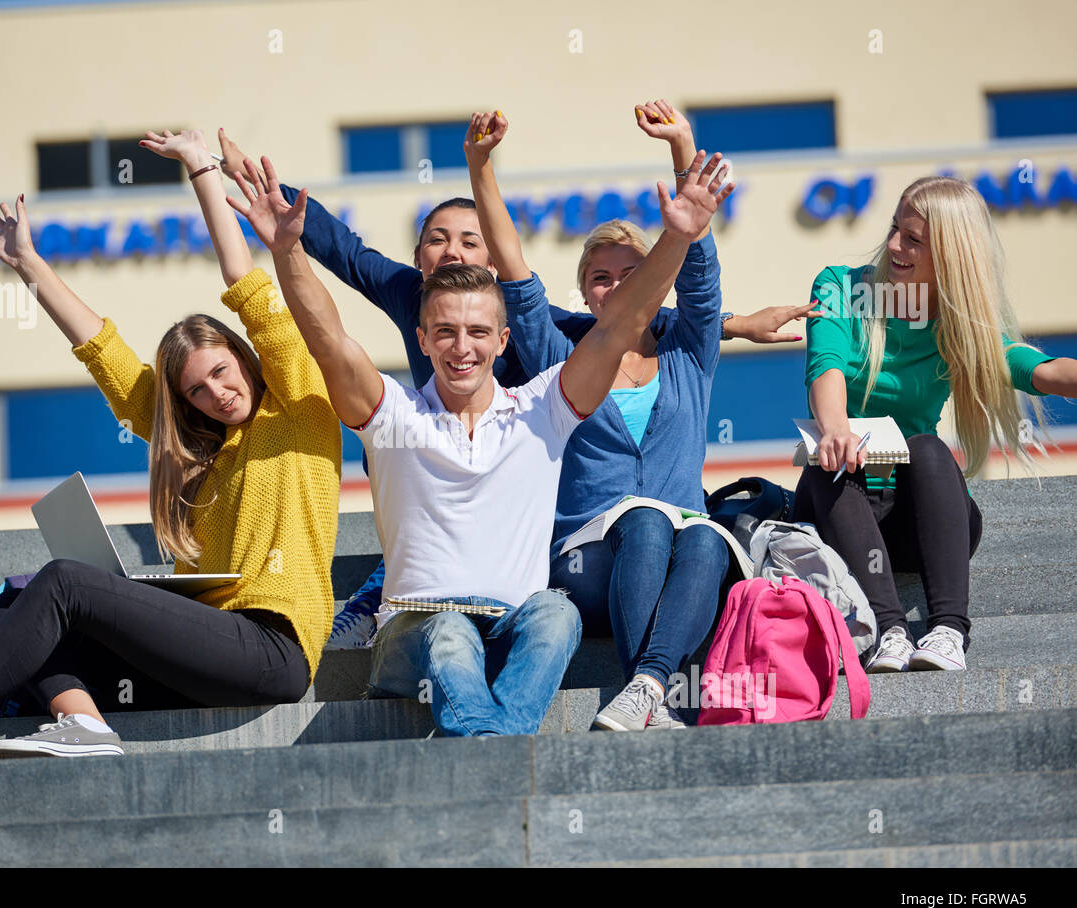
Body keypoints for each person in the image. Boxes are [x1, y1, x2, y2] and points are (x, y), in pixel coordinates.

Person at [0, 129, 342, 768]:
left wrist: (202, 170)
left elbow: (245, 285)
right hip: (211, 646)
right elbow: (110, 359)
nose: (215, 395)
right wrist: (30, 264)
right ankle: (83, 728)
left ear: (246, 359)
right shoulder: (204, 453)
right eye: (196, 391)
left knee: (62, 585)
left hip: (272, 647)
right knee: (17, 605)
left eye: (222, 373)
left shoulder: (301, 410)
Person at [214, 126, 809, 647]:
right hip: (440, 475)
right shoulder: (407, 293)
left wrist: (732, 324)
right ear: (418, 258)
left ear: (495, 272)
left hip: (515, 473)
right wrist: (250, 183)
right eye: (437, 239)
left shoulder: (553, 331)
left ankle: (649, 684)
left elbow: (617, 323)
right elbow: (342, 248)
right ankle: (379, 596)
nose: (452, 251)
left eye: (470, 241)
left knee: (681, 533)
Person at [463, 103, 808, 732]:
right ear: (585, 292)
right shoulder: (558, 354)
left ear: (654, 278)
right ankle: (652, 687)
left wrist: (683, 149)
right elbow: (512, 270)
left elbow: (700, 277)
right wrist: (479, 166)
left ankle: (646, 687)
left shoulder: (687, 350)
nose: (615, 287)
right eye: (599, 278)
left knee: (705, 533)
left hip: (680, 552)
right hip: (584, 561)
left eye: (631, 273)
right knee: (647, 520)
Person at [792, 175, 1077, 674]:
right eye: (895, 229)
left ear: (949, 253)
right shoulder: (839, 286)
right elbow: (826, 363)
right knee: (824, 469)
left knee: (926, 447)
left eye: (914, 239)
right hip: (848, 514)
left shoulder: (955, 319)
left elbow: (1040, 371)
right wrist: (836, 427)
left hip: (919, 518)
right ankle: (890, 630)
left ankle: (947, 630)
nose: (895, 245)